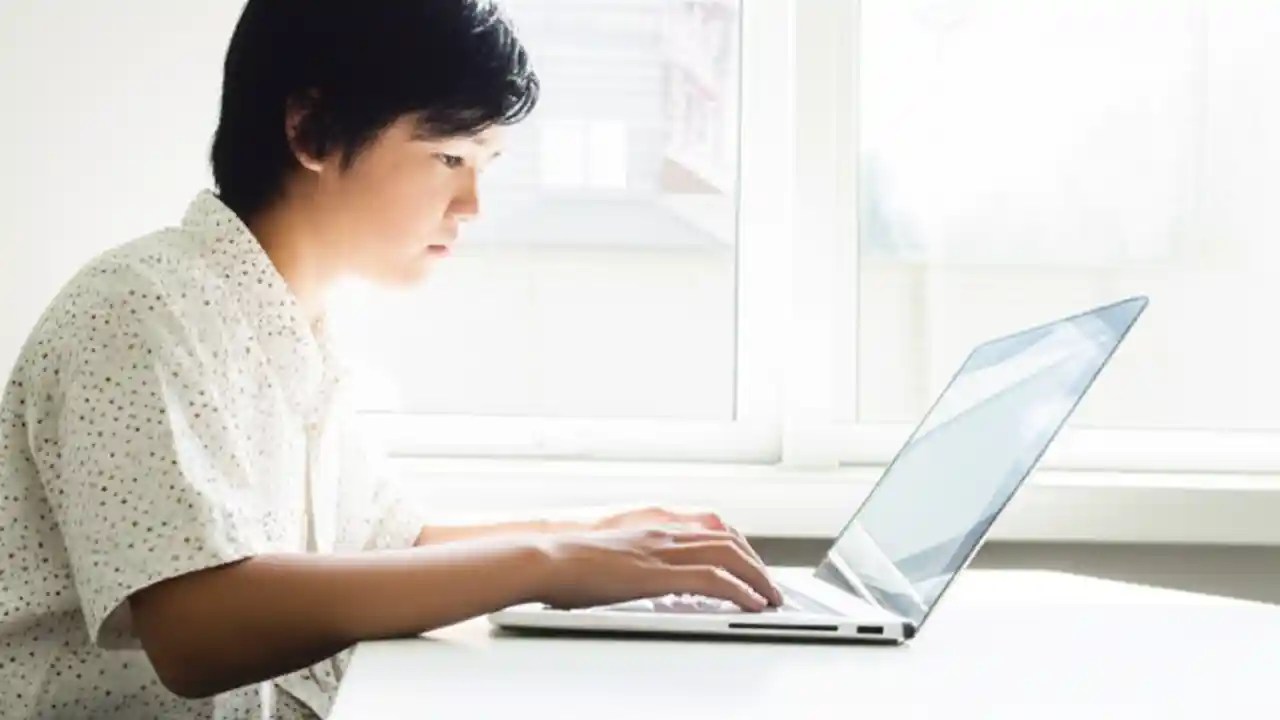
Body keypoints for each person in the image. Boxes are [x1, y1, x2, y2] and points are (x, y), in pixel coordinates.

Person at [0, 1, 781, 718]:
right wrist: (554, 558)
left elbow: (388, 548)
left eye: (488, 164)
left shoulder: (294, 328)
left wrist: (606, 538)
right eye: (448, 157)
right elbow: (199, 630)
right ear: (310, 131)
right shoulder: (142, 308)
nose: (474, 205)